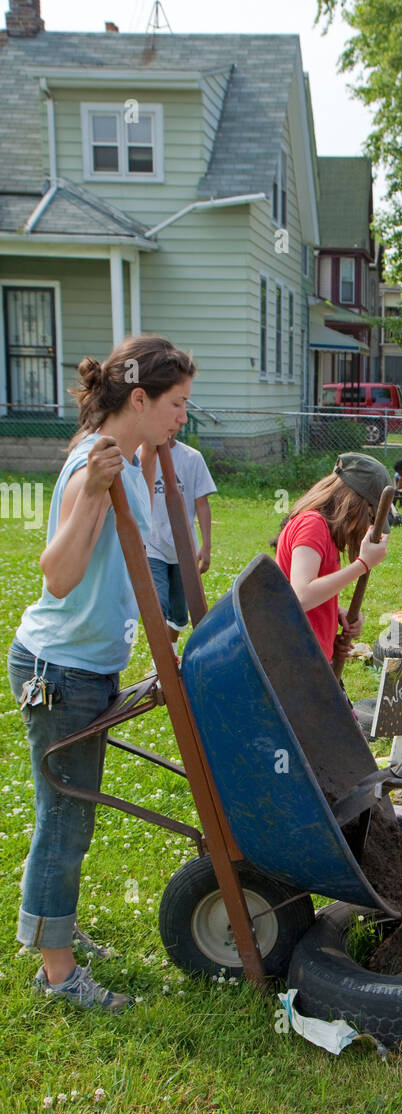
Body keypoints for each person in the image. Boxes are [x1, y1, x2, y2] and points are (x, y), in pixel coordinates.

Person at [8, 335, 196, 1012]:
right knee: (63, 818)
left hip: (90, 664)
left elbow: (129, 566)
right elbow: (58, 575)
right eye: (175, 404)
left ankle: (60, 932)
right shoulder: (95, 464)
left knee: (73, 811)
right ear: (140, 399)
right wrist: (94, 488)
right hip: (59, 670)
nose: (183, 417)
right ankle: (57, 975)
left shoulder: (132, 458)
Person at [273, 452, 391, 665]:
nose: (368, 524)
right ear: (356, 501)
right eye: (371, 515)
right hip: (296, 660)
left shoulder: (324, 529)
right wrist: (362, 564)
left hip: (310, 656)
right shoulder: (312, 524)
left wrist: (335, 612)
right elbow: (302, 595)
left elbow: (296, 592)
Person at [146, 432, 217, 653]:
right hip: (152, 545)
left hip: (184, 549)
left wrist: (206, 546)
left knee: (178, 613)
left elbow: (202, 503)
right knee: (158, 604)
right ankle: (162, 659)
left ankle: (171, 648)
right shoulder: (144, 456)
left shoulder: (192, 458)